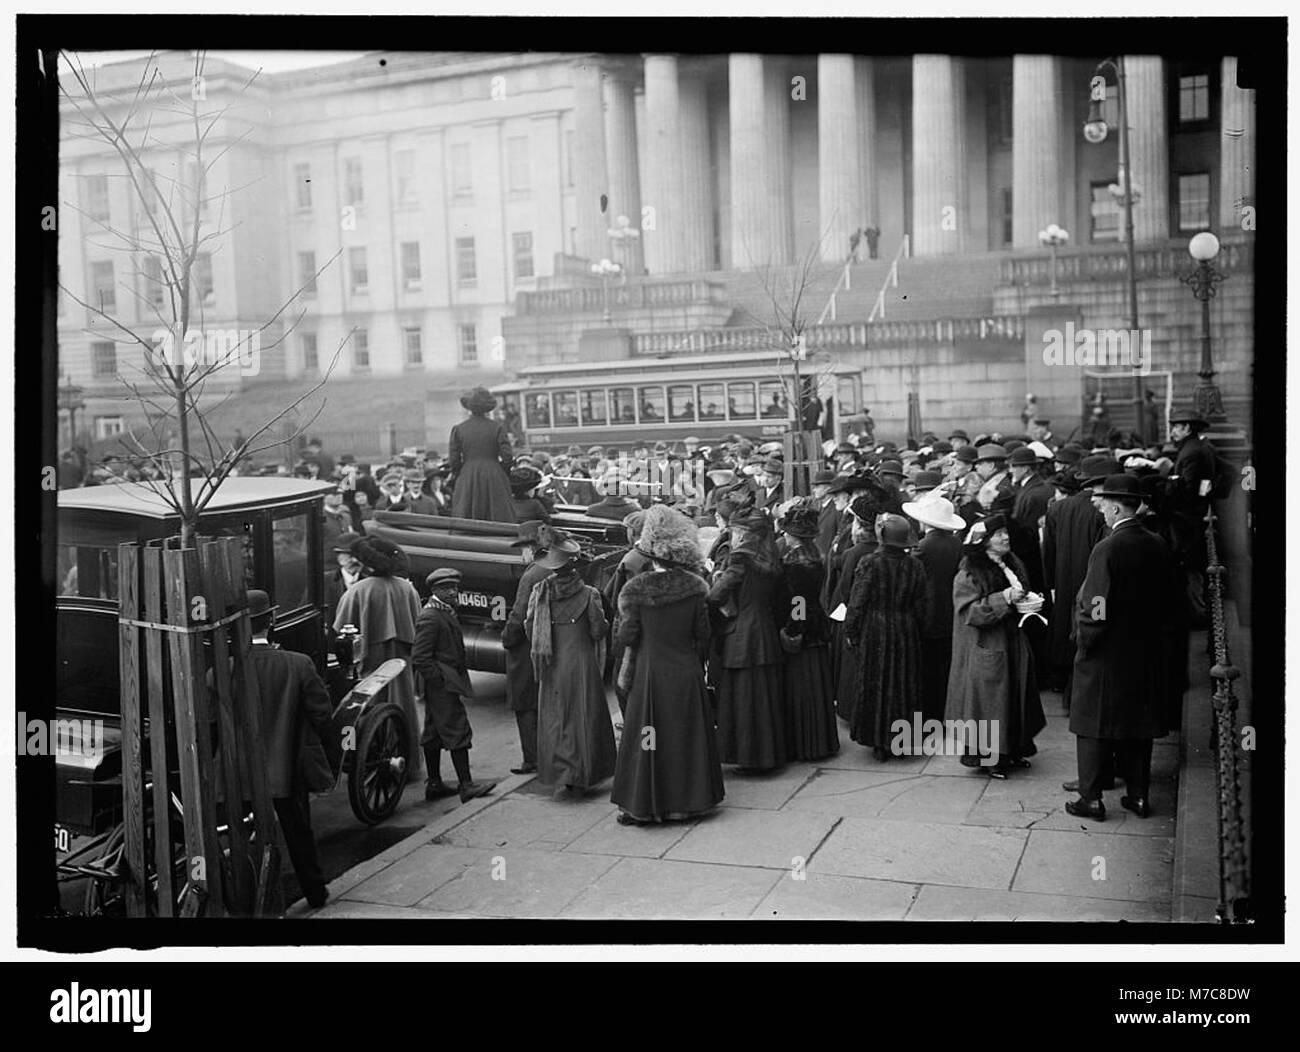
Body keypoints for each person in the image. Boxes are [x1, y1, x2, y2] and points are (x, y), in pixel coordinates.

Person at [1066, 475, 1184, 821]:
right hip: (1144, 650)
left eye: (1103, 503)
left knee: (1091, 724)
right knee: (1138, 725)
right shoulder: (1156, 542)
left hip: (1105, 653)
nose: (1100, 509)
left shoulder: (1108, 547)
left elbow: (1097, 606)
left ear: (1117, 507)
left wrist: (1085, 640)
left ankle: (1090, 799)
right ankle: (1139, 796)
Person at [611, 506, 723, 825]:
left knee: (649, 739)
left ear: (652, 555)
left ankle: (646, 804)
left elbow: (626, 637)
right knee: (684, 736)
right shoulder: (696, 588)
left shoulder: (635, 590)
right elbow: (703, 635)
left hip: (650, 675)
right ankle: (690, 801)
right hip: (686, 673)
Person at [245, 589, 334, 909]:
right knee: (299, 833)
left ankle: (251, 897)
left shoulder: (225, 668)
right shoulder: (298, 664)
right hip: (288, 767)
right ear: (270, 621)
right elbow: (322, 714)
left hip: (243, 772)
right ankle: (314, 892)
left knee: (243, 837)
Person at [944, 514, 1046, 778]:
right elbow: (970, 613)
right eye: (998, 534)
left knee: (1013, 698)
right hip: (987, 645)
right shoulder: (969, 572)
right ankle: (991, 759)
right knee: (990, 704)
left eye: (1005, 533)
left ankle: (1013, 750)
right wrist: (1004, 598)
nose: (1005, 537)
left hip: (1011, 641)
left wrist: (1028, 599)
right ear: (984, 541)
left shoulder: (1011, 562)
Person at [525, 535, 616, 799]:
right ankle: (584, 773)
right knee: (584, 715)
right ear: (574, 565)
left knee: (556, 717)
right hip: (582, 660)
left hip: (552, 661)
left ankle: (562, 773)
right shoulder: (589, 593)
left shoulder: (540, 593)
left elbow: (530, 629)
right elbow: (599, 629)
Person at [333, 535, 424, 777]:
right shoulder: (407, 589)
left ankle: (370, 760)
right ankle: (409, 761)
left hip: (370, 662)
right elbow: (418, 626)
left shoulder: (357, 592)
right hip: (402, 662)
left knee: (367, 711)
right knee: (404, 706)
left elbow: (340, 629)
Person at [707, 506, 788, 771]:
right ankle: (767, 755)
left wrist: (715, 578)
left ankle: (746, 756)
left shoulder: (740, 558)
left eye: (736, 531)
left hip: (740, 633)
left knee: (742, 699)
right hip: (765, 629)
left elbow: (715, 596)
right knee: (763, 697)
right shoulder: (772, 555)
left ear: (745, 533)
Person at [843, 514, 928, 760]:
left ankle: (879, 741)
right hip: (905, 628)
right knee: (902, 683)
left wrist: (851, 631)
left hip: (875, 629)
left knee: (876, 682)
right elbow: (922, 604)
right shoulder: (915, 565)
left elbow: (857, 601)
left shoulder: (870, 562)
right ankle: (901, 739)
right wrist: (917, 629)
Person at [412, 568, 497, 803]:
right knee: (457, 729)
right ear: (436, 590)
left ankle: (435, 784)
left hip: (441, 682)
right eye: (447, 589)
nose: (453, 592)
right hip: (442, 684)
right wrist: (441, 681)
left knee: (433, 733)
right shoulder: (431, 616)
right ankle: (466, 786)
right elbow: (420, 657)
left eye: (455, 588)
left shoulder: (443, 610)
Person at [1041, 455, 1108, 699]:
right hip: (1093, 585)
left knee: (1064, 626)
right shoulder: (1102, 511)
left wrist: (1051, 584)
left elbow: (1047, 551)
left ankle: (1062, 679)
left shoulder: (1058, 508)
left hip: (1063, 579)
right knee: (1090, 624)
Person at [778, 502, 839, 761]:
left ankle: (806, 743)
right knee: (817, 685)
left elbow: (798, 602)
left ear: (793, 536)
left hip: (805, 628)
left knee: (803, 687)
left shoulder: (795, 562)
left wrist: (794, 630)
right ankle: (820, 739)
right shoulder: (815, 553)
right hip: (817, 623)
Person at [903, 492, 966, 724]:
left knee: (929, 670)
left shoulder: (922, 547)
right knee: (946, 667)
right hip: (950, 612)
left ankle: (931, 716)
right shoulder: (956, 543)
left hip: (929, 615)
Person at [501, 521, 553, 775]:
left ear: (532, 547)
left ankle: (531, 759)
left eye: (523, 547)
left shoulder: (531, 574)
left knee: (524, 704)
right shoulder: (555, 566)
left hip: (526, 649)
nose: (521, 553)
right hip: (551, 645)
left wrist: (507, 638)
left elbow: (519, 614)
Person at [605, 511, 651, 716]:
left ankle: (633, 735)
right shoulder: (653, 554)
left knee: (622, 683)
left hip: (628, 626)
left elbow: (612, 597)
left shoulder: (631, 558)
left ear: (633, 532)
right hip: (651, 630)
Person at [449, 386, 516, 522]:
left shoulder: (459, 429)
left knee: (466, 517)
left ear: (469, 407)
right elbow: (508, 457)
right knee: (499, 516)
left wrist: (463, 472)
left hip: (468, 473)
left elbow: (454, 461)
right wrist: (500, 470)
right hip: (494, 473)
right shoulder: (497, 427)